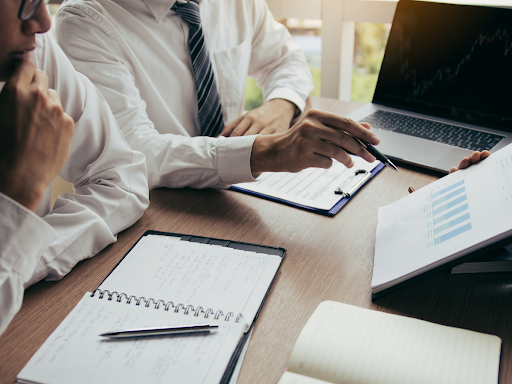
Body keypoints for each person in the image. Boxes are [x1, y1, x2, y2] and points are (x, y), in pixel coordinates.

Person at [55, 0, 380, 191]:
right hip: (154, 204)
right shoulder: (84, 21)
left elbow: (285, 59)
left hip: (233, 193)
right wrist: (267, 152)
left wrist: (281, 104)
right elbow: (134, 153)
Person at [0, 0, 149, 336]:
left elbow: (121, 180)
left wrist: (23, 258)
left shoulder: (33, 52)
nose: (43, 22)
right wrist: (19, 190)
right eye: (24, 5)